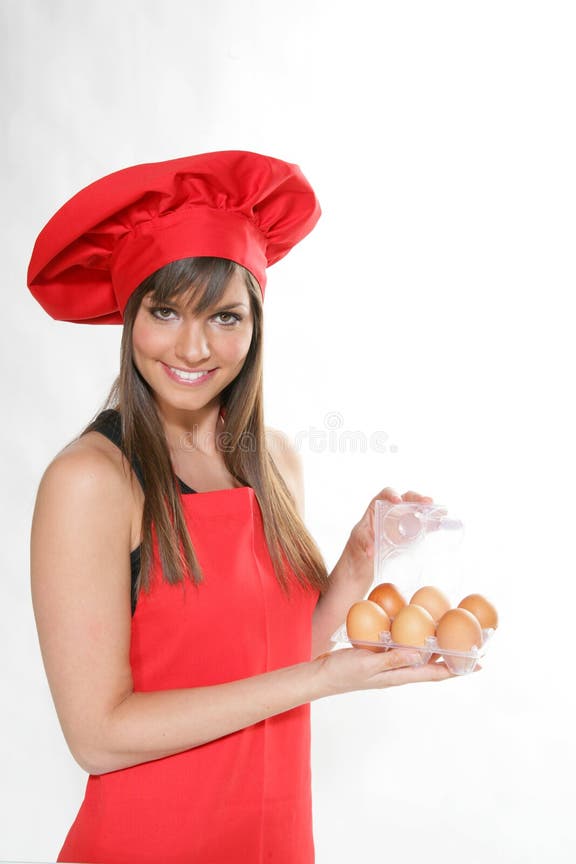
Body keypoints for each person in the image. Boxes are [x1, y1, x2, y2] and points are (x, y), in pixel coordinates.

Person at [27, 150, 462, 864]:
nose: (194, 347)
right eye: (165, 311)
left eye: (224, 317)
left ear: (256, 323)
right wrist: (321, 681)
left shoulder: (274, 461)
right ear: (129, 315)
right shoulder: (93, 481)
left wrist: (357, 562)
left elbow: (278, 657)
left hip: (274, 842)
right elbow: (97, 736)